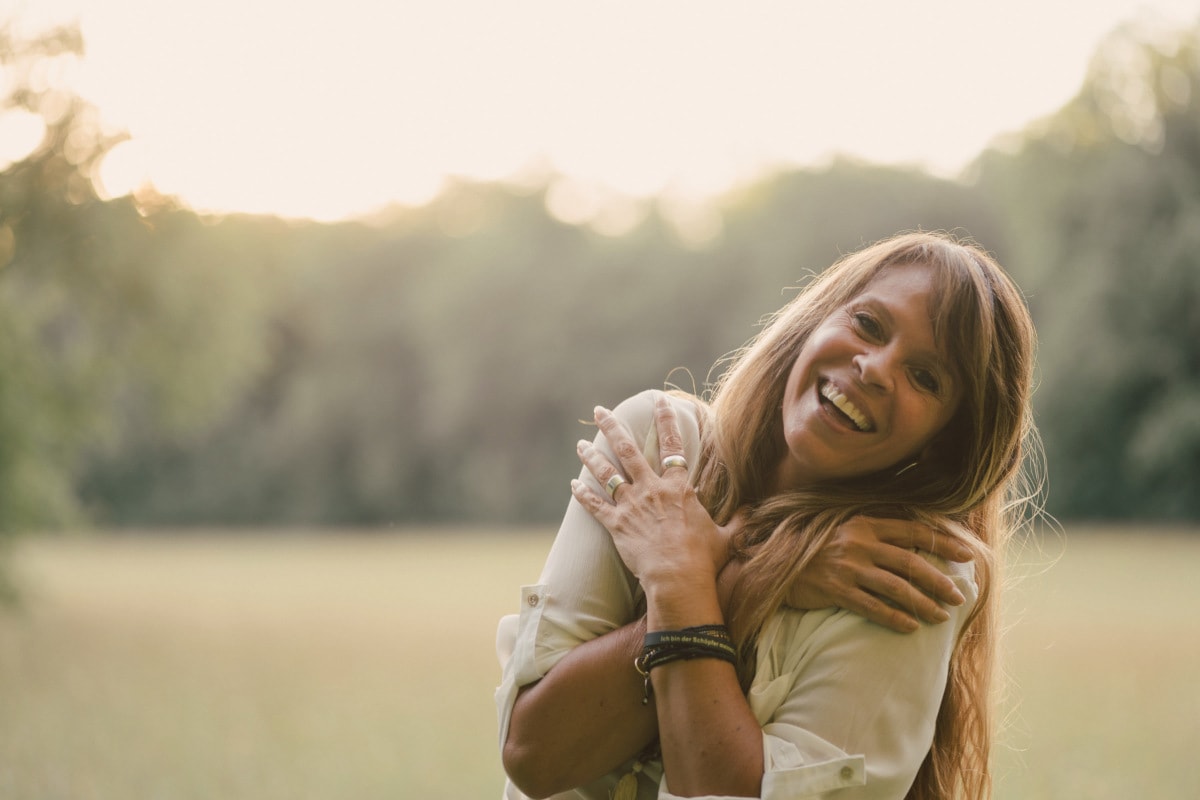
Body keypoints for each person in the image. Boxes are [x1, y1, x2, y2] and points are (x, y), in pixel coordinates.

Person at [495, 231, 1039, 800]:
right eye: (869, 325)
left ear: (943, 446)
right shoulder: (659, 444)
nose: (875, 368)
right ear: (814, 323)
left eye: (926, 377)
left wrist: (685, 583)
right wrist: (755, 575)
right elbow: (534, 756)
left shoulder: (907, 571)